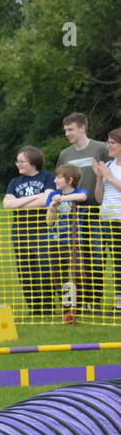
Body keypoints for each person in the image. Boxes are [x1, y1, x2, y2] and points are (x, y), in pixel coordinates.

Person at [57, 112, 109, 309]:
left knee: (96, 255)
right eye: (65, 130)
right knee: (78, 256)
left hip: (96, 210)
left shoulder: (100, 149)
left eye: (70, 129)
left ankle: (95, 300)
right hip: (73, 213)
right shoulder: (65, 154)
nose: (67, 133)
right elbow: (60, 180)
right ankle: (81, 299)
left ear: (82, 128)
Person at [3, 146, 57, 316]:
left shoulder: (47, 177)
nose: (18, 164)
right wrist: (35, 197)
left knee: (44, 268)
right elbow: (7, 204)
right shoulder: (14, 182)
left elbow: (47, 200)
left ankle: (47, 308)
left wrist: (20, 202)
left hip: (42, 231)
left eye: (21, 161)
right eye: (17, 161)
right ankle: (33, 308)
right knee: (25, 271)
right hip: (20, 233)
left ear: (33, 162)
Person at [45, 164, 90, 323]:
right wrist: (53, 207)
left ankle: (81, 306)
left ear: (69, 180)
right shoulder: (53, 196)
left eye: (59, 177)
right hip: (55, 243)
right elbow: (49, 222)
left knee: (78, 274)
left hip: (74, 243)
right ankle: (66, 308)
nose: (55, 180)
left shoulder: (80, 192)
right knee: (58, 276)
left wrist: (62, 199)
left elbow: (82, 198)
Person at [90, 128, 121, 311]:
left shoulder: (112, 170)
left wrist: (110, 177)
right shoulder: (108, 165)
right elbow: (99, 198)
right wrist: (100, 178)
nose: (108, 146)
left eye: (112, 143)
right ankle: (117, 302)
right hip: (107, 220)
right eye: (108, 142)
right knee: (112, 261)